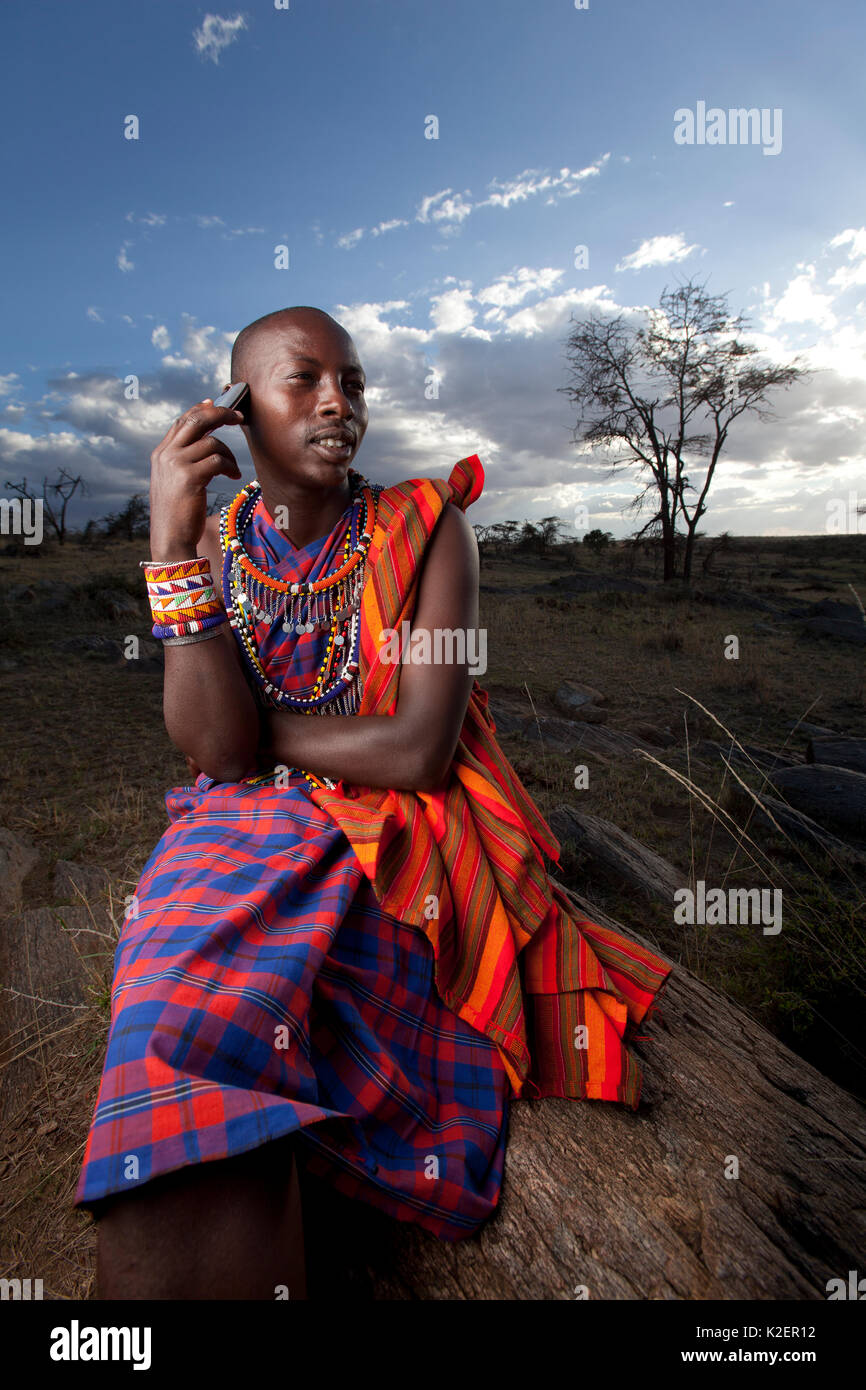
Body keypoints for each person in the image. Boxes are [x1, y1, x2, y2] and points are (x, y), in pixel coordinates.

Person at [76, 305, 672, 1299]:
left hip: (395, 835)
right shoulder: (219, 543)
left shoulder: (428, 531)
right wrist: (169, 544)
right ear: (234, 412)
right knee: (164, 1001)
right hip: (239, 827)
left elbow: (416, 749)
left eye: (351, 383)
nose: (335, 402)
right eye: (301, 380)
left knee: (254, 998)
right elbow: (208, 754)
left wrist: (248, 739)